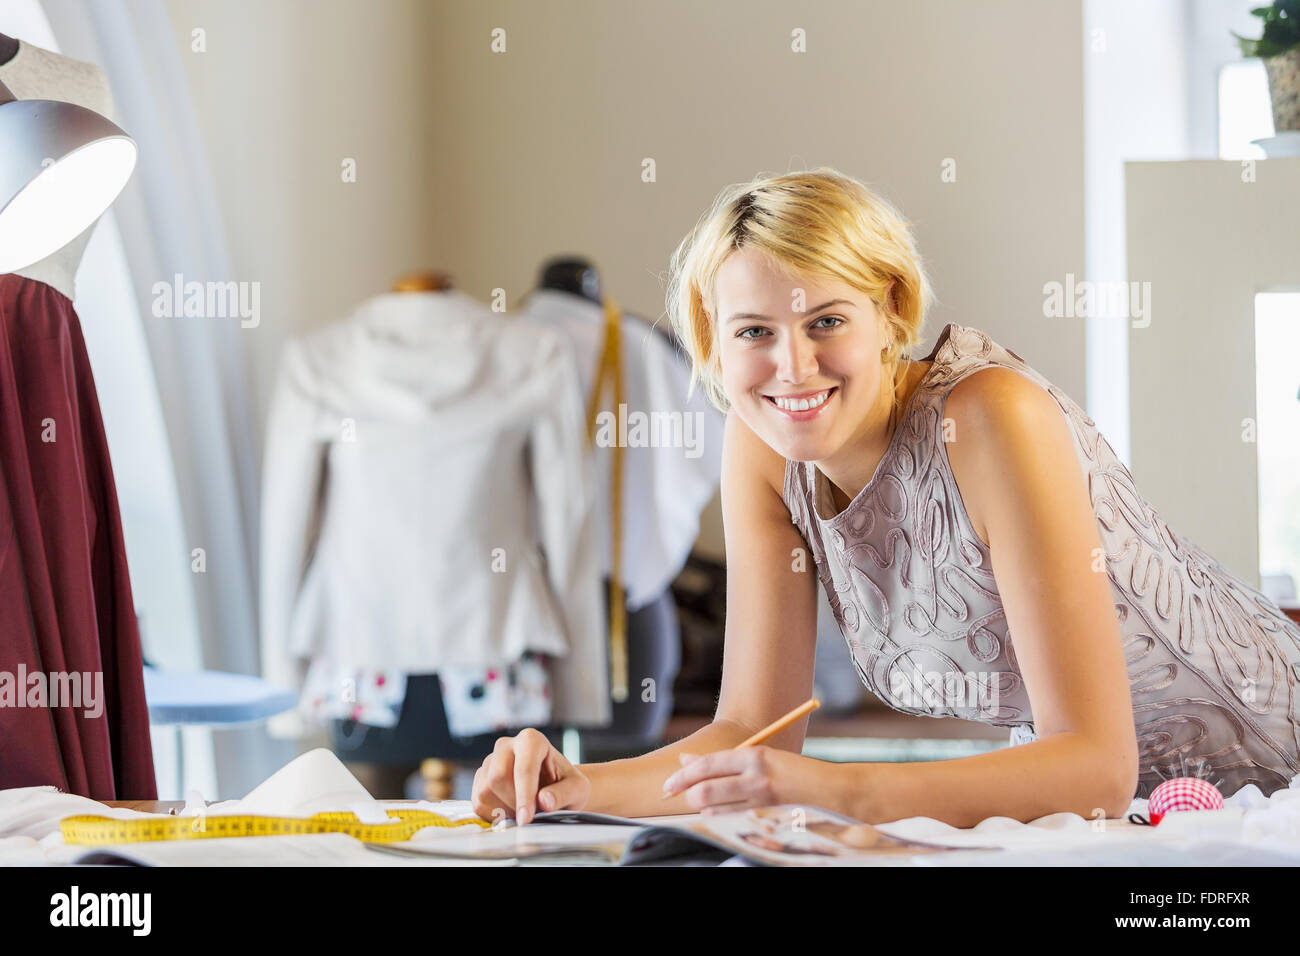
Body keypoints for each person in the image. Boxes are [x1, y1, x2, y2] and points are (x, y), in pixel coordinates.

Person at [472, 168, 1300, 829]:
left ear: (892, 308)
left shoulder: (989, 416)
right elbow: (749, 733)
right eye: (753, 331)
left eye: (826, 320)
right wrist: (577, 785)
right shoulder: (761, 445)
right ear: (713, 341)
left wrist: (841, 792)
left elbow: (1093, 762)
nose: (791, 367)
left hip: (1277, 780)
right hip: (1128, 822)